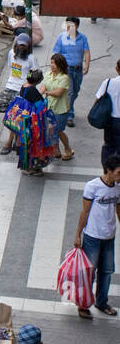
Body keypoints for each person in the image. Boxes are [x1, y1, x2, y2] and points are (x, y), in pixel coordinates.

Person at [75, 154, 120, 319]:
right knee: (89, 272)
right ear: (109, 170)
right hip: (93, 236)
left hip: (109, 236)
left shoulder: (118, 187)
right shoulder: (92, 186)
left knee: (107, 271)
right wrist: (78, 235)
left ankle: (102, 302)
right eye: (118, 172)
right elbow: (84, 212)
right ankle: (83, 305)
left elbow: (118, 208)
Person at [52, 17, 91, 126]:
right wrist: (55, 69)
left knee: (75, 91)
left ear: (77, 26)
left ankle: (69, 108)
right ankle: (69, 116)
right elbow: (56, 54)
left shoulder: (83, 38)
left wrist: (87, 65)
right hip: (66, 70)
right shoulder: (61, 38)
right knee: (69, 93)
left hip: (78, 70)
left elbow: (86, 52)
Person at [41, 55, 75, 161]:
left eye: (54, 63)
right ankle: (57, 151)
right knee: (51, 130)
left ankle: (68, 149)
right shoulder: (47, 74)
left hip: (60, 109)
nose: (52, 65)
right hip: (49, 108)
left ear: (60, 65)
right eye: (51, 62)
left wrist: (46, 92)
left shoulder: (64, 78)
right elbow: (43, 86)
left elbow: (58, 93)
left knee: (58, 131)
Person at [94, 59, 120, 166]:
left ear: (117, 69)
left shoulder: (108, 82)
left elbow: (98, 99)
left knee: (108, 145)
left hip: (110, 120)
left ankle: (107, 169)